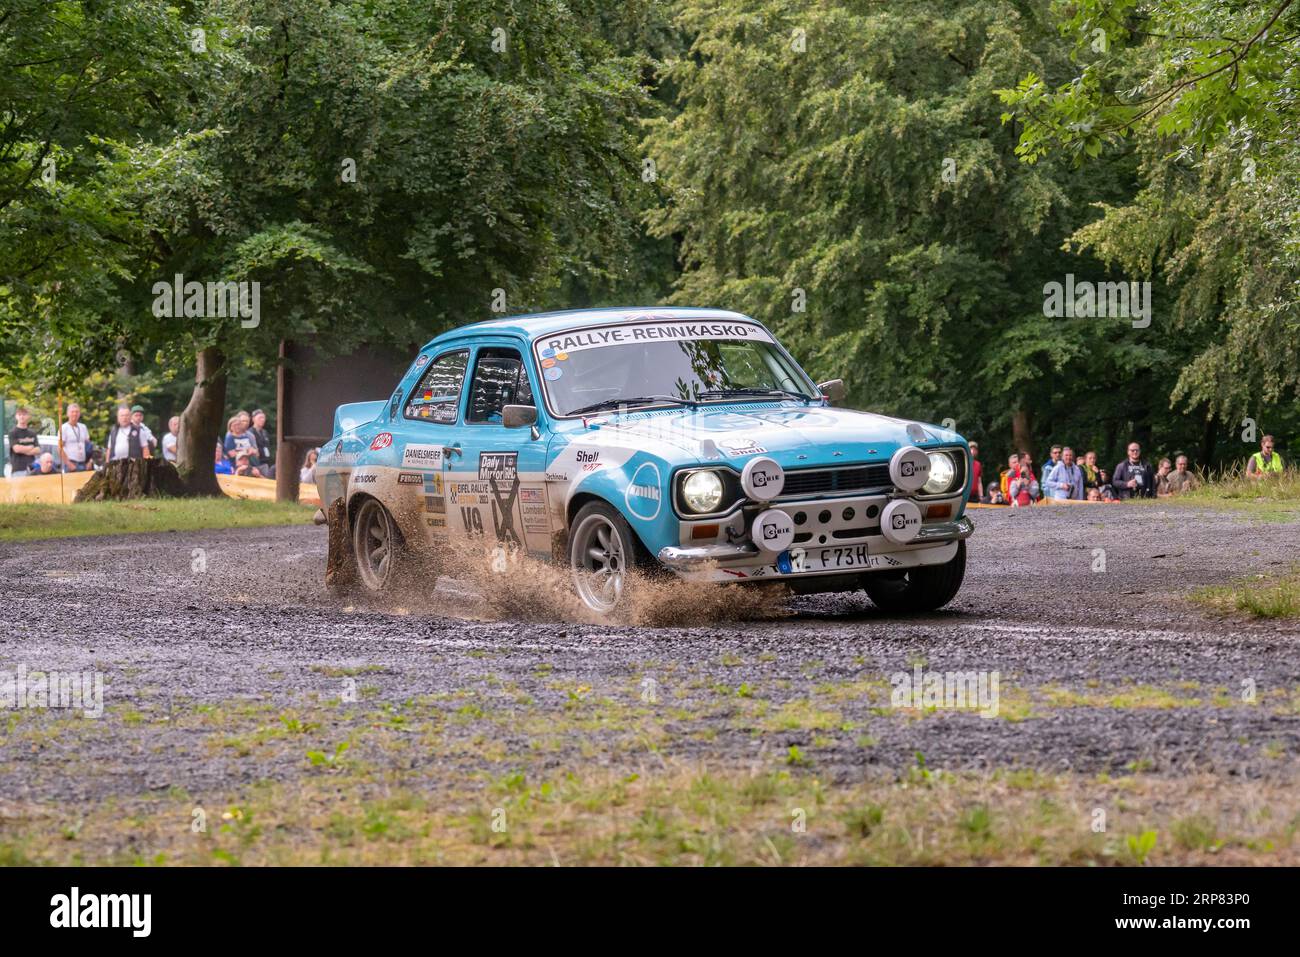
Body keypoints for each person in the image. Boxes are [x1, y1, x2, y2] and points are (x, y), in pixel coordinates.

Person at [7, 406, 40, 476]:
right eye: (19, 415)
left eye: (24, 415)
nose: (22, 417)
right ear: (16, 417)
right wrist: (30, 447)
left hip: (32, 469)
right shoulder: (13, 433)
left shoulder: (32, 433)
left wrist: (23, 449)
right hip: (18, 470)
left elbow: (38, 450)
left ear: (28, 416)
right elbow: (16, 449)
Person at [59, 403, 92, 471]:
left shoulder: (83, 427)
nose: (75, 414)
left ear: (79, 414)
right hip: (71, 464)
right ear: (68, 414)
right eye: (72, 412)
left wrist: (90, 461)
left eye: (77, 412)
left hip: (84, 463)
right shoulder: (64, 428)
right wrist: (68, 463)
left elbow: (89, 446)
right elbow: (60, 448)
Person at [249, 409, 275, 478]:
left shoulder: (264, 432)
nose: (262, 420)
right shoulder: (250, 433)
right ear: (253, 419)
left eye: (263, 418)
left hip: (266, 461)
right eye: (260, 418)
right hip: (256, 462)